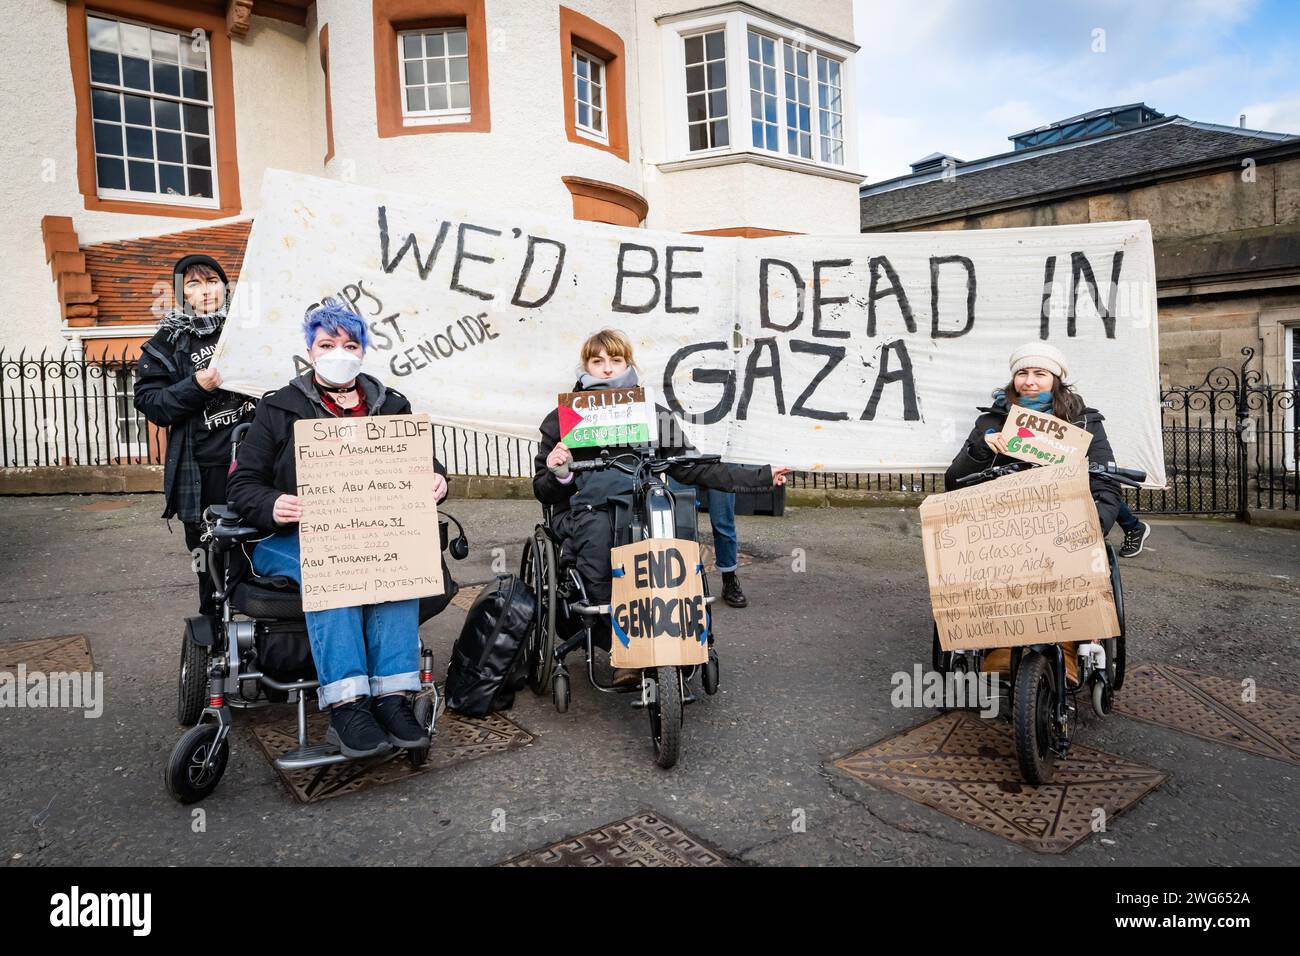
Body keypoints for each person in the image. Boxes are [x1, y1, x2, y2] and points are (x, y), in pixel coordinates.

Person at [227, 302, 449, 758]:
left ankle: (392, 698)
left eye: (349, 344)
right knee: (338, 571)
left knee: (396, 568)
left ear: (363, 352)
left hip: (374, 530)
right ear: (310, 351)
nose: (338, 352)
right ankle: (347, 705)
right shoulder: (278, 408)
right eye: (327, 344)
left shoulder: (392, 405)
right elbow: (242, 484)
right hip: (291, 538)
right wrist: (273, 503)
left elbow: (422, 463)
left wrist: (436, 479)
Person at [534, 329, 791, 682]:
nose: (607, 369)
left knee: (671, 535)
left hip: (640, 506)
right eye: (598, 361)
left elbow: (694, 466)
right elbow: (542, 491)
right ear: (586, 366)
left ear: (628, 363)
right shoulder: (563, 419)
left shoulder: (651, 413)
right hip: (588, 510)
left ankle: (678, 638)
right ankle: (623, 650)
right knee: (600, 548)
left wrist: (762, 475)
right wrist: (559, 472)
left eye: (615, 360)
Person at [134, 254, 255, 619]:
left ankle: (269, 631)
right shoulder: (168, 342)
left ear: (225, 285)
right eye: (194, 284)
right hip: (203, 472)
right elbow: (151, 403)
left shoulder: (249, 328)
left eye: (212, 281)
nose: (205, 291)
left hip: (256, 463)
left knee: (261, 546)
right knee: (210, 557)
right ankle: (216, 630)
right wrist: (195, 386)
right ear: (180, 293)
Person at [944, 341, 1122, 532]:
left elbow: (1107, 483)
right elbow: (954, 482)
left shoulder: (1084, 422)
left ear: (1055, 380)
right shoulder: (990, 422)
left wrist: (1095, 524)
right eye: (1022, 373)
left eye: (1040, 374)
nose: (1029, 381)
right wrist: (980, 448)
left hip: (1061, 527)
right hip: (1000, 530)